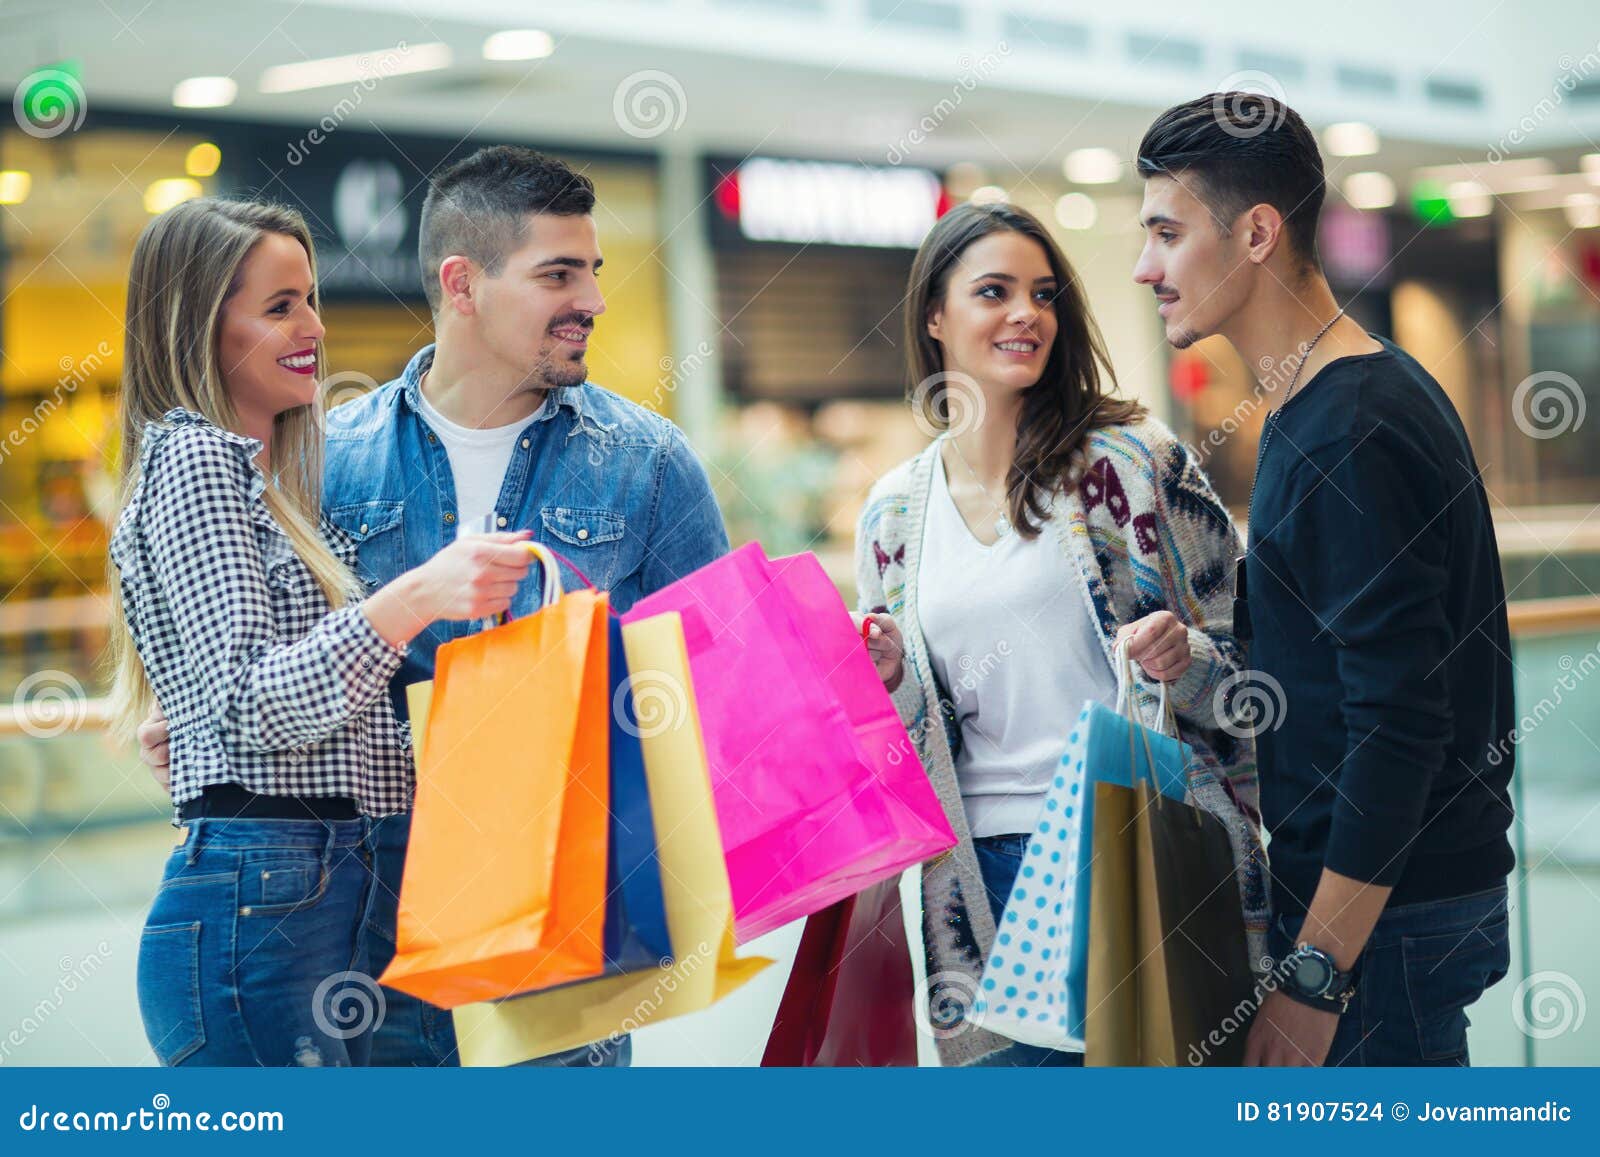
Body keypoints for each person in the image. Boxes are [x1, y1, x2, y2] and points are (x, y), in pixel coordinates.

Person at [139, 146, 730, 1067]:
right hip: (363, 932)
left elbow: (722, 687)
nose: (594, 301)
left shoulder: (647, 462)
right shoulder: (322, 458)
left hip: (558, 936)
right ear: (464, 283)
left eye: (595, 272)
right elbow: (261, 668)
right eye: (558, 274)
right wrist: (194, 727)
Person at [109, 197, 536, 1066]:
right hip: (258, 905)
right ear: (197, 327)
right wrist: (414, 597)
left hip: (308, 890)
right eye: (278, 306)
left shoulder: (274, 485)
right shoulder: (195, 460)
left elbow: (244, 703)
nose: (313, 326)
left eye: (309, 298)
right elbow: (255, 706)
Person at [1133, 93, 1514, 1066]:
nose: (1146, 267)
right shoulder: (1328, 402)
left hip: (1382, 928)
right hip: (1381, 914)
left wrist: (1315, 972)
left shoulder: (1351, 426)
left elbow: (1398, 723)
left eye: (1166, 233)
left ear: (1256, 231)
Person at [854, 201, 1269, 1067]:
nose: (1026, 314)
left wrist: (1183, 658)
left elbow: (1253, 672)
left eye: (1043, 294)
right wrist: (888, 679)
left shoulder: (1135, 461)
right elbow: (895, 746)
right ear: (934, 315)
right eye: (994, 292)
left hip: (1138, 852)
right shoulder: (895, 511)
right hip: (978, 890)